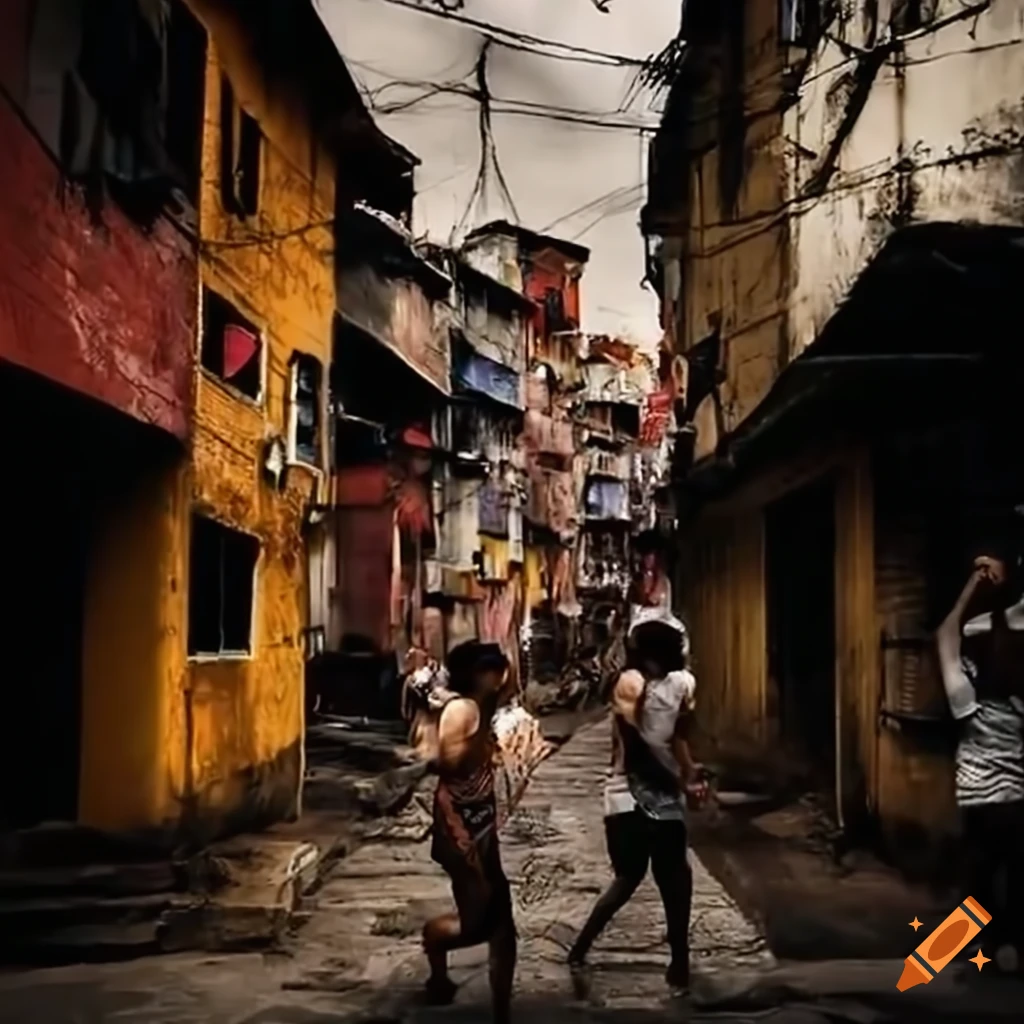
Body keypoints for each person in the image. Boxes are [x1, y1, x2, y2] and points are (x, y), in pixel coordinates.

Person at [567, 610, 707, 994]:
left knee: (674, 877)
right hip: (627, 790)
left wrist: (691, 773)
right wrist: (680, 780)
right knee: (631, 876)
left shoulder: (683, 684)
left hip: (663, 790)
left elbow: (678, 737)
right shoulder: (630, 683)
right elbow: (637, 745)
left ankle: (679, 961)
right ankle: (580, 948)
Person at [936, 543, 1024, 969]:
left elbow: (946, 635)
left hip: (981, 796)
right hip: (1016, 792)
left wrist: (973, 585)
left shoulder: (964, 697)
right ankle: (1007, 949)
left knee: (980, 876)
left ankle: (960, 952)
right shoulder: (1015, 705)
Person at [422, 641, 517, 1022]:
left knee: (500, 921)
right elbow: (448, 762)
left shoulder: (479, 708)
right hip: (459, 827)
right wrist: (481, 740)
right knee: (480, 922)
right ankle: (435, 946)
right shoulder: (463, 709)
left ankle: (501, 1012)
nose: (501, 679)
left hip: (479, 824)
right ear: (481, 673)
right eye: (495, 671)